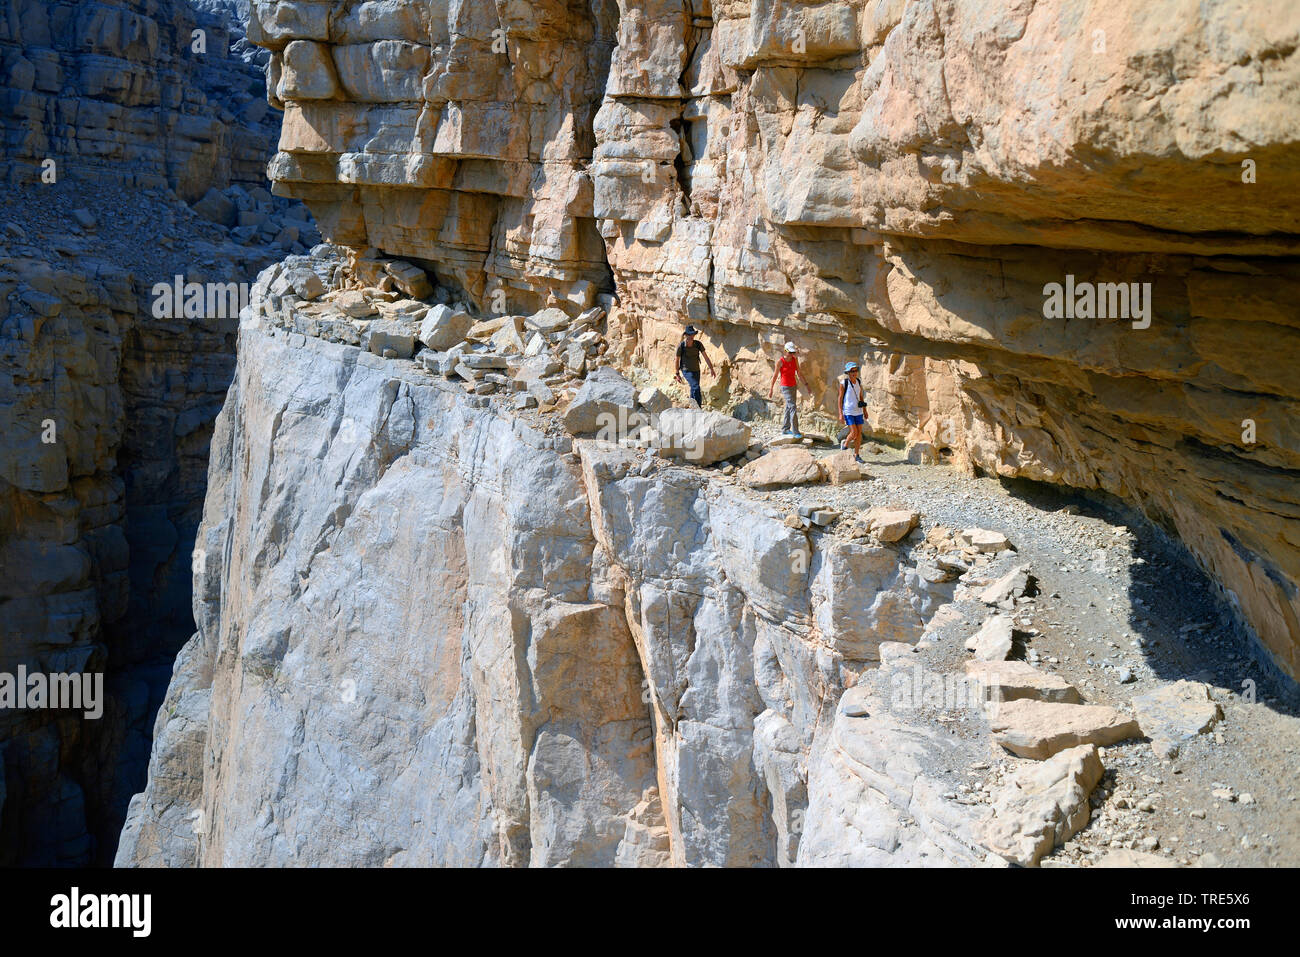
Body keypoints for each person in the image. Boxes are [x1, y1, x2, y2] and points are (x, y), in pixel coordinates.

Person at [768, 341, 813, 436]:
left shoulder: (794, 360)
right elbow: (775, 375)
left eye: (793, 353)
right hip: (785, 387)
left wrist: (807, 385)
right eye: (790, 352)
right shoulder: (780, 362)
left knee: (789, 407)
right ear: (785, 351)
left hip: (793, 386)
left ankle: (785, 429)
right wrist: (771, 389)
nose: (791, 354)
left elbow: (799, 373)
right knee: (793, 407)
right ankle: (796, 431)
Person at [675, 325, 715, 408]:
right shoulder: (681, 346)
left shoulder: (698, 344)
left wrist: (711, 368)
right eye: (689, 335)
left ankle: (692, 407)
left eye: (692, 334)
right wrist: (677, 374)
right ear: (686, 335)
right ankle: (698, 408)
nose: (691, 336)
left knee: (693, 388)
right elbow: (677, 360)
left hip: (696, 370)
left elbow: (706, 357)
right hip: (686, 370)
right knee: (696, 387)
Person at [838, 361, 867, 463]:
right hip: (848, 411)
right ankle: (845, 444)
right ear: (848, 373)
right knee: (854, 432)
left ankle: (857, 454)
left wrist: (865, 410)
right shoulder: (844, 383)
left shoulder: (859, 382)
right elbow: (840, 399)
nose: (854, 372)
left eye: (855, 370)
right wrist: (840, 413)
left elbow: (861, 397)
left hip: (858, 411)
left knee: (859, 434)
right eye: (852, 371)